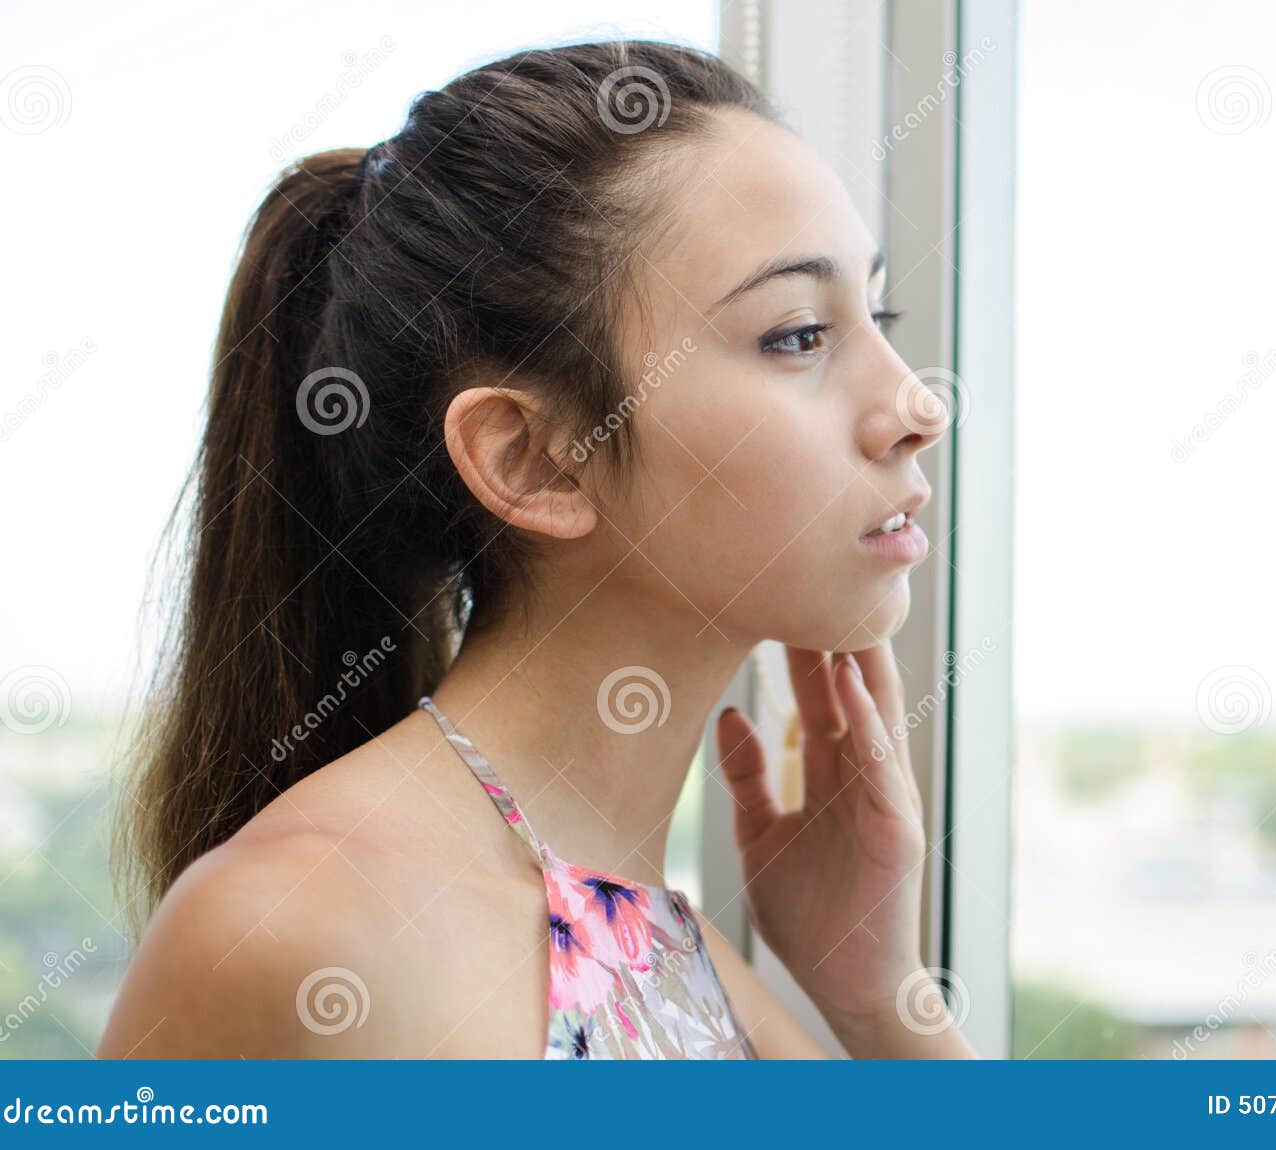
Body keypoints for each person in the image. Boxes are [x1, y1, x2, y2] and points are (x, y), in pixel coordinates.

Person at [97, 38, 970, 1060]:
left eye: (878, 312)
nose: (918, 406)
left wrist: (881, 993)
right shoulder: (301, 935)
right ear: (533, 460)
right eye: (798, 335)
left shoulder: (696, 976)